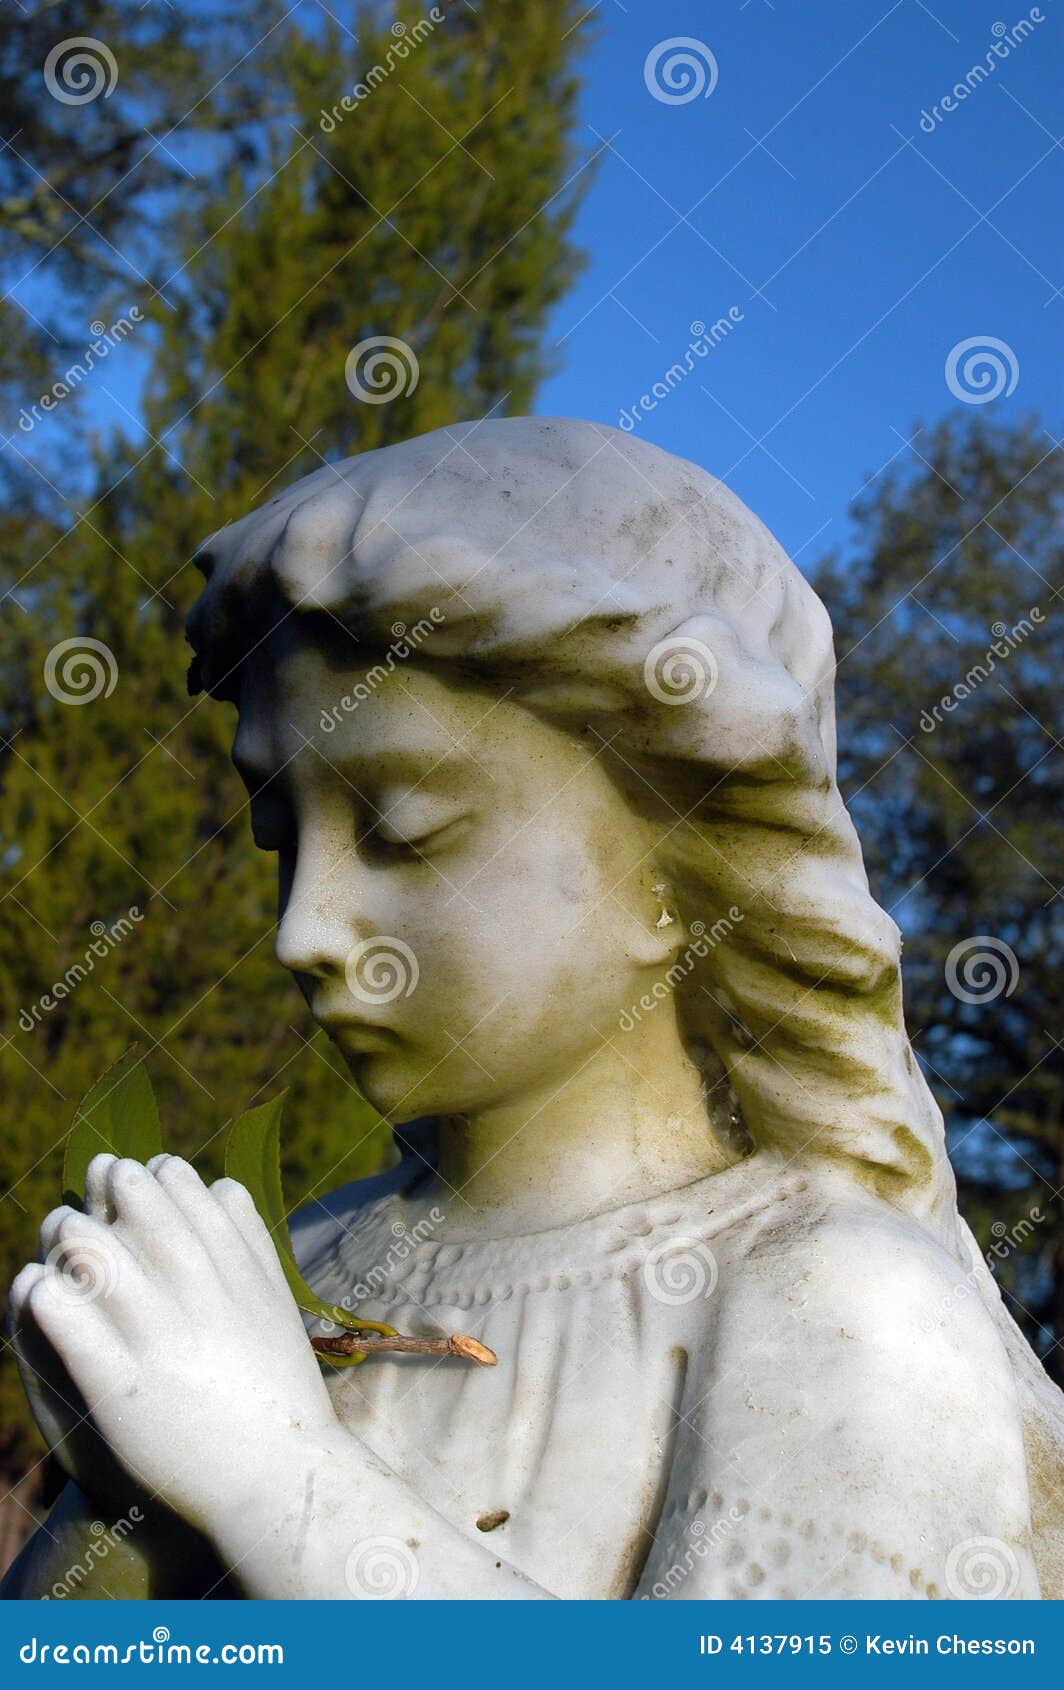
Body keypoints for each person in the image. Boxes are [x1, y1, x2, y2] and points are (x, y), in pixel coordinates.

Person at [6, 419, 1062, 1600]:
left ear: (683, 859)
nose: (303, 926)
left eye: (403, 831)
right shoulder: (295, 1266)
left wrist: (272, 1477)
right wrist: (124, 1499)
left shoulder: (841, 1305)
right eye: (277, 835)